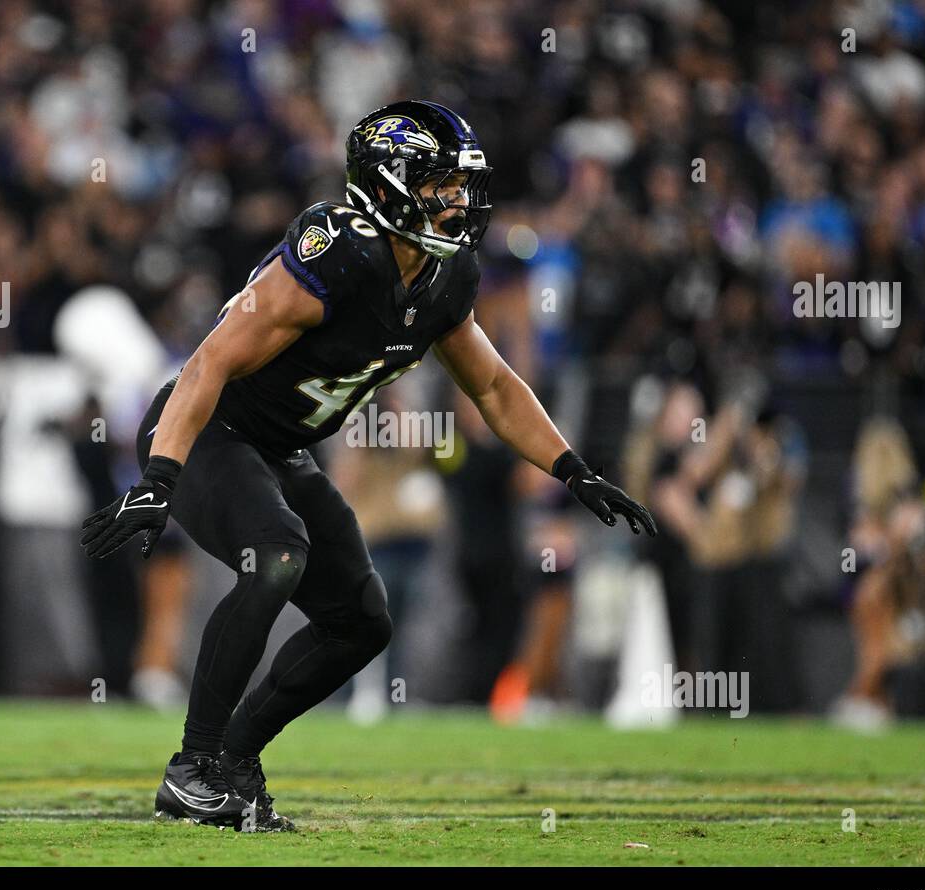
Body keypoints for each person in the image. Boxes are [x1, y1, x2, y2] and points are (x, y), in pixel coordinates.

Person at [79, 101, 657, 832]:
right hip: (209, 429)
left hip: (283, 448)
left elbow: (493, 386)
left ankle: (232, 760)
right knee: (278, 556)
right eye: (440, 184)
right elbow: (209, 362)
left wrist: (572, 469)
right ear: (387, 186)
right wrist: (161, 476)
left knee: (361, 621)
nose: (459, 201)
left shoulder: (446, 279)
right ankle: (192, 770)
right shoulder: (337, 252)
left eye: (461, 185)